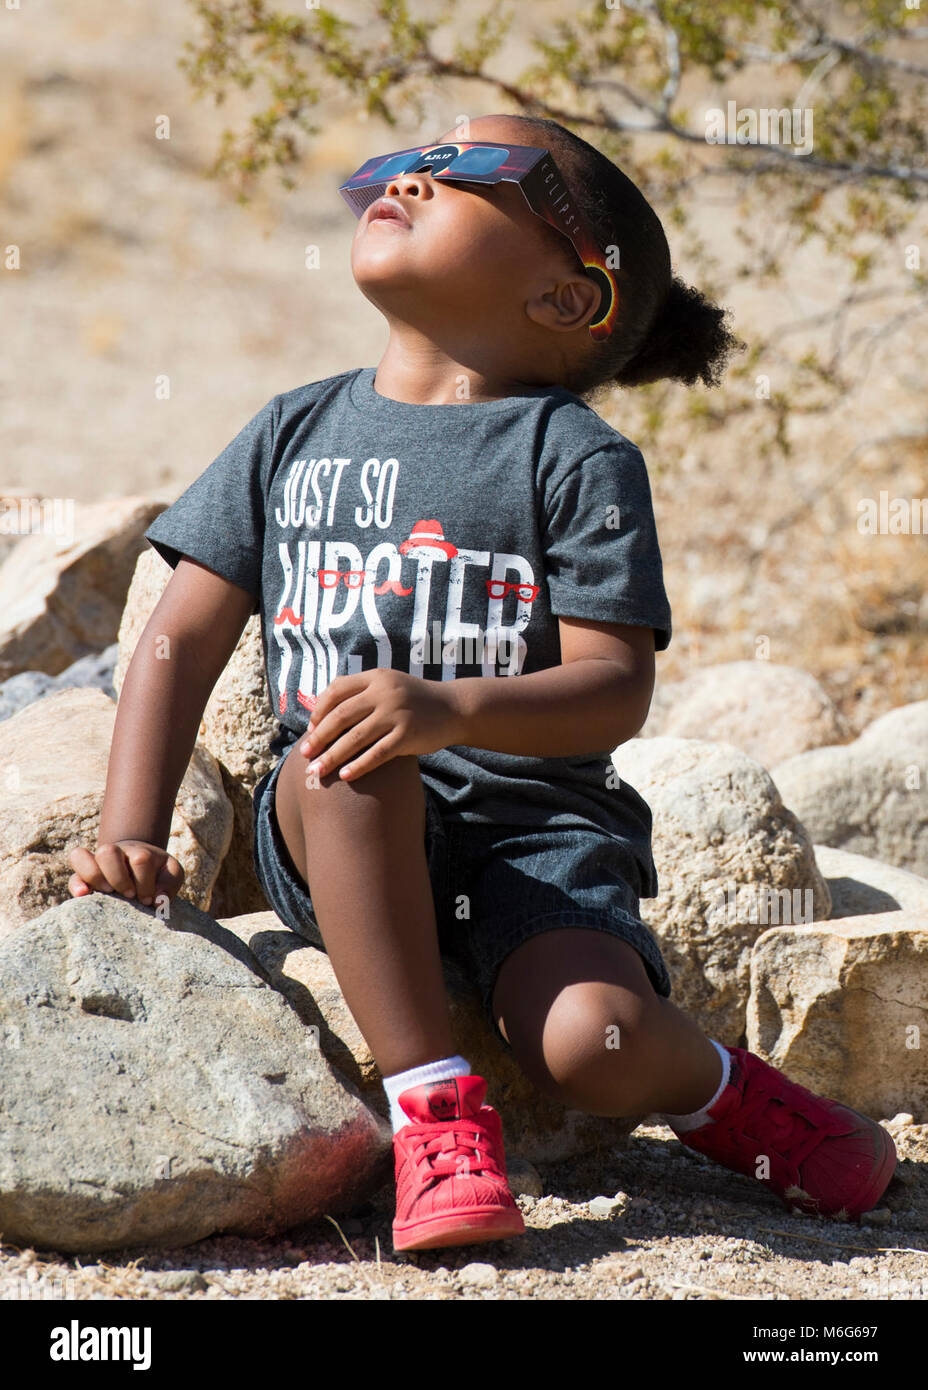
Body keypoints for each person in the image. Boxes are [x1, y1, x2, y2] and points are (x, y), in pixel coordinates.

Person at [68, 113, 896, 1254]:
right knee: (343, 756)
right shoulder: (290, 429)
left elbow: (613, 686)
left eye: (470, 173)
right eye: (402, 161)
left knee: (589, 1043)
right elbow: (177, 641)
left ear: (568, 297)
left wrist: (448, 707)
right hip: (342, 820)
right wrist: (132, 831)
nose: (409, 174)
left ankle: (726, 1094)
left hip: (537, 826)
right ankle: (437, 1115)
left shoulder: (573, 454)